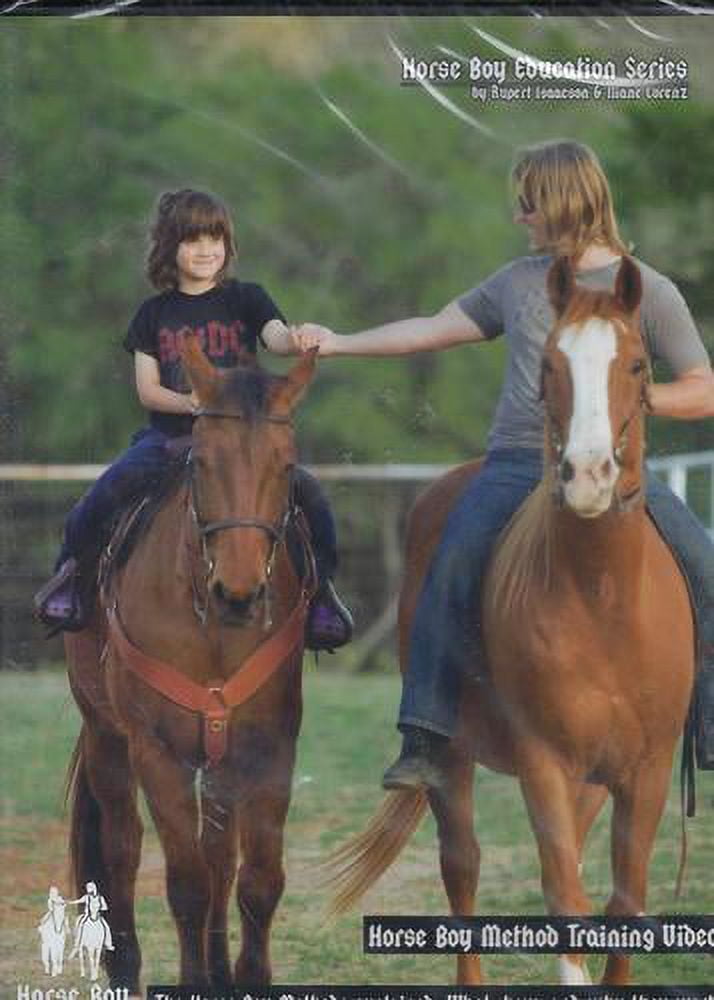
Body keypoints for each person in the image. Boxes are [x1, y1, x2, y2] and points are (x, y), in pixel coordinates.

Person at [292, 139, 714, 782]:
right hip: (521, 459)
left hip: (614, 465)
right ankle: (427, 736)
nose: (520, 217)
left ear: (561, 201)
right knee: (453, 558)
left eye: (527, 204)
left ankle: (707, 724)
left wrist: (627, 396)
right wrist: (338, 342)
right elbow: (430, 328)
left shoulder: (646, 290)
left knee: (705, 565)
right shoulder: (516, 283)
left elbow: (704, 386)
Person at [34, 188, 353, 652]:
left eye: (215, 238)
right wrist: (194, 405)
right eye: (192, 240)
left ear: (227, 244)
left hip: (243, 445)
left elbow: (278, 339)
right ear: (169, 248)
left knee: (313, 498)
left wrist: (298, 336)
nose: (206, 250)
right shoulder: (153, 314)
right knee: (103, 493)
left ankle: (321, 596)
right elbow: (147, 389)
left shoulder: (247, 298)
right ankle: (71, 580)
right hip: (171, 439)